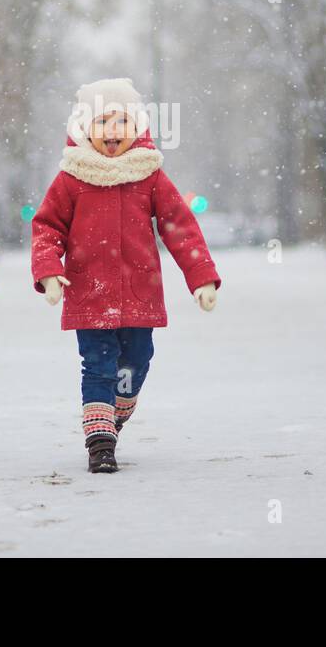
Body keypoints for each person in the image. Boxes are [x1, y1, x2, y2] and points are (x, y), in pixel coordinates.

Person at [30, 77, 220, 473]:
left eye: (121, 122)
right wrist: (50, 271)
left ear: (137, 129)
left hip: (139, 294)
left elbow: (178, 226)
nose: (112, 131)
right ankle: (100, 442)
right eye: (101, 123)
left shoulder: (147, 175)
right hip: (89, 293)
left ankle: (115, 413)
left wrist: (200, 276)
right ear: (84, 130)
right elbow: (47, 227)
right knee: (97, 366)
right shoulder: (72, 178)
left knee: (136, 360)